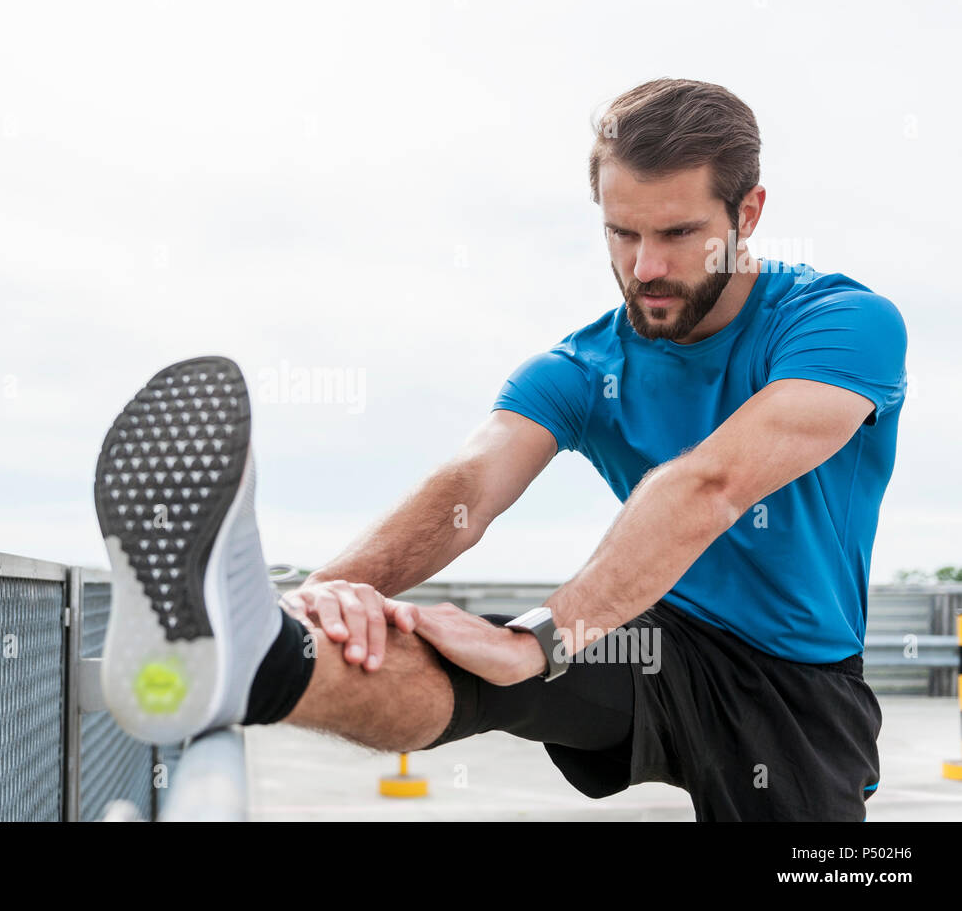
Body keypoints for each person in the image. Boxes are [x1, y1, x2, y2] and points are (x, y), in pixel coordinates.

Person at [94, 77, 908, 821]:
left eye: (679, 232)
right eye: (621, 233)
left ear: (749, 213)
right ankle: (255, 655)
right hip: (655, 629)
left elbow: (712, 485)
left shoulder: (842, 326)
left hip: (800, 680)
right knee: (472, 669)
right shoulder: (585, 366)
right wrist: (320, 598)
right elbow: (470, 487)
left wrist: (543, 636)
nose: (645, 267)